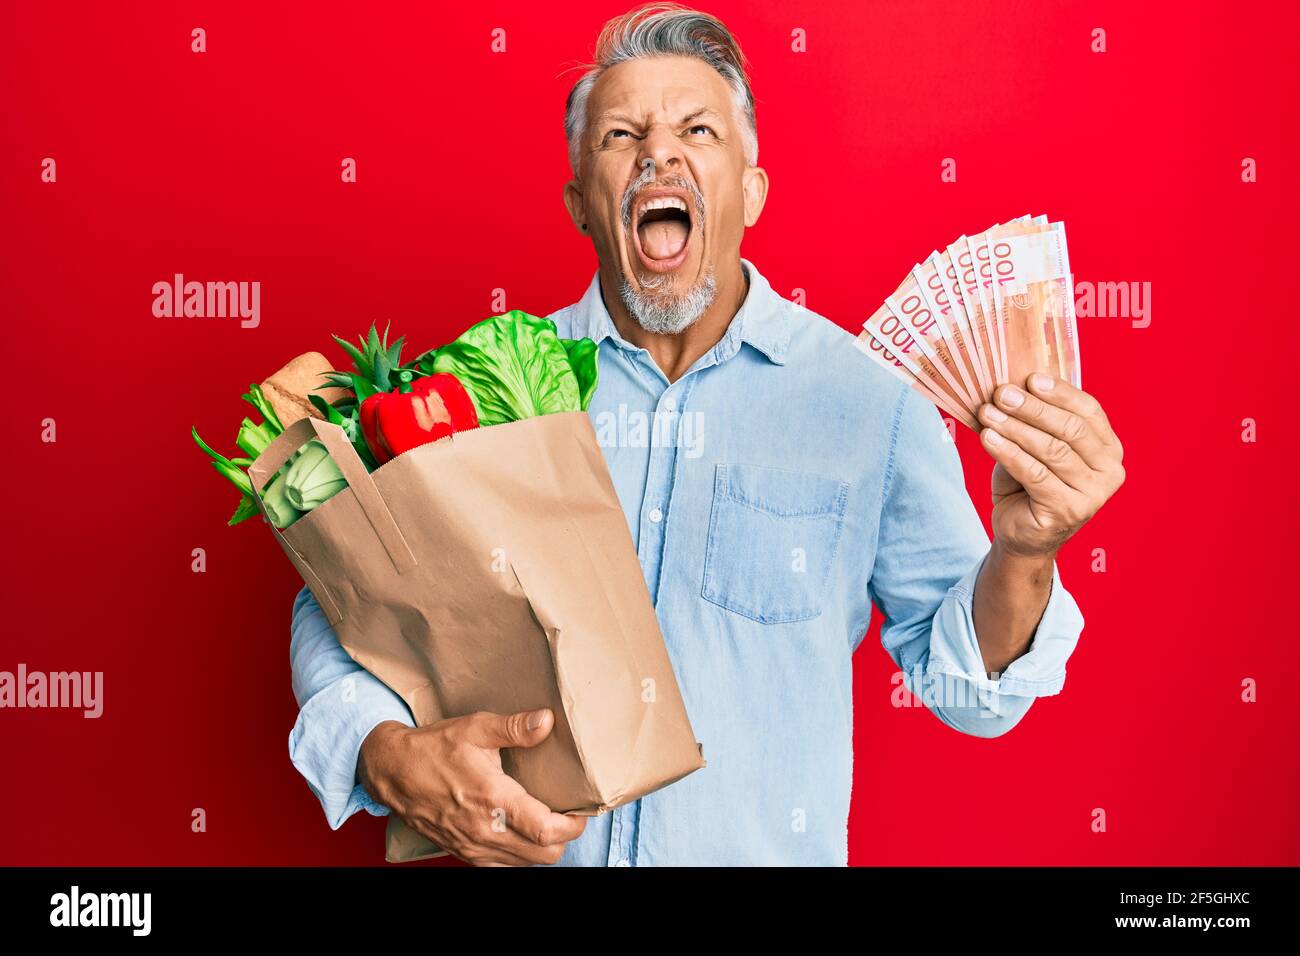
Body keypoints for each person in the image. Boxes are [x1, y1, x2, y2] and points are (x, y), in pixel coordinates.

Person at [288, 2, 1125, 866]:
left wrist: (1026, 553)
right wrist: (381, 753)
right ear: (581, 201)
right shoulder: (485, 384)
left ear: (751, 191)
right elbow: (342, 598)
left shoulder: (871, 403)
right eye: (622, 136)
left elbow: (967, 693)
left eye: (698, 129)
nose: (660, 152)